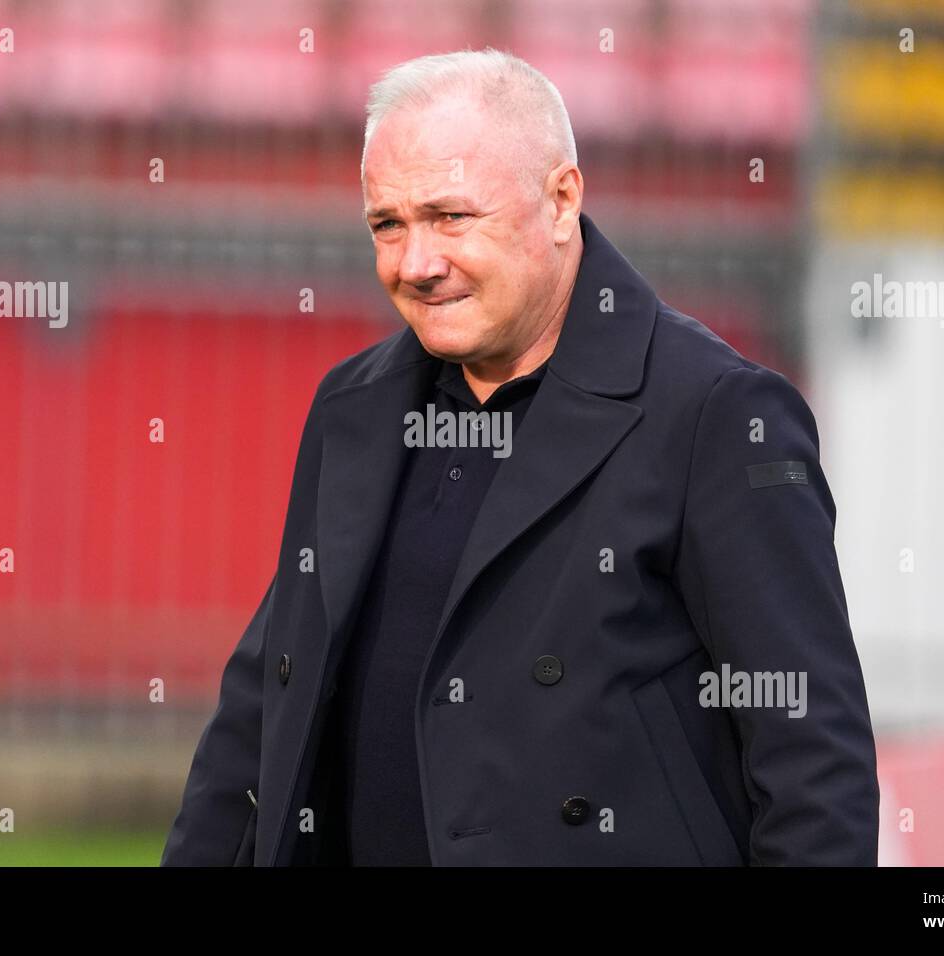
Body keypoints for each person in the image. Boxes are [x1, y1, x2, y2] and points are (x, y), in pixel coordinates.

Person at [162, 47, 879, 867]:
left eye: (450, 217)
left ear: (561, 199)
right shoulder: (348, 410)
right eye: (387, 225)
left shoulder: (717, 416)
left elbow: (812, 765)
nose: (415, 264)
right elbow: (263, 707)